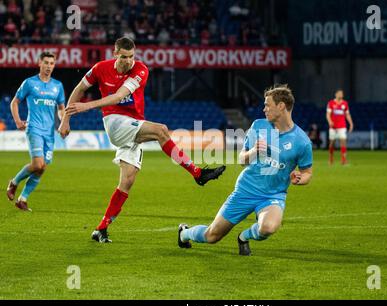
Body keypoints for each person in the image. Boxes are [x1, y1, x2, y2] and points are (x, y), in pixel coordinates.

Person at [59, 37, 225, 243]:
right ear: (115, 54)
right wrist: (66, 119)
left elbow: (120, 95)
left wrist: (87, 105)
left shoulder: (140, 70)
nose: (128, 61)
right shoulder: (100, 68)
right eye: (124, 57)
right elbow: (79, 89)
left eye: (131, 56)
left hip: (133, 124)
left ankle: (101, 229)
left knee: (127, 181)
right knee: (161, 131)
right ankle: (197, 173)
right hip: (114, 122)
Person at [177, 84, 313, 256]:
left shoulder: (302, 141)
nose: (264, 109)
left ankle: (243, 237)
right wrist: (254, 150)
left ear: (281, 106)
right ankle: (184, 233)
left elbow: (307, 172)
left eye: (267, 105)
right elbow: (242, 160)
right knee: (212, 235)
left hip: (273, 195)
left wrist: (301, 178)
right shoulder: (258, 126)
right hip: (246, 190)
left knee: (268, 228)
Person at [6, 52, 66, 211]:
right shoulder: (30, 83)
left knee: (42, 167)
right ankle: (14, 182)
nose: (48, 66)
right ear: (39, 63)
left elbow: (61, 108)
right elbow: (15, 102)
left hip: (49, 133)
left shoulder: (57, 86)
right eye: (46, 62)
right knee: (37, 164)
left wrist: (63, 122)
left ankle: (23, 199)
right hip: (34, 129)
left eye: (52, 63)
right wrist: (18, 121)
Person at [326, 89, 354, 165]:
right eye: (339, 93)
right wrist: (330, 122)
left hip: (342, 126)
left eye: (342, 94)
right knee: (332, 143)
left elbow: (347, 114)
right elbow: (328, 114)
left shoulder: (345, 103)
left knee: (343, 142)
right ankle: (331, 158)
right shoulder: (331, 103)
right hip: (333, 127)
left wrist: (351, 123)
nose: (341, 95)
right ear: (336, 94)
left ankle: (344, 160)